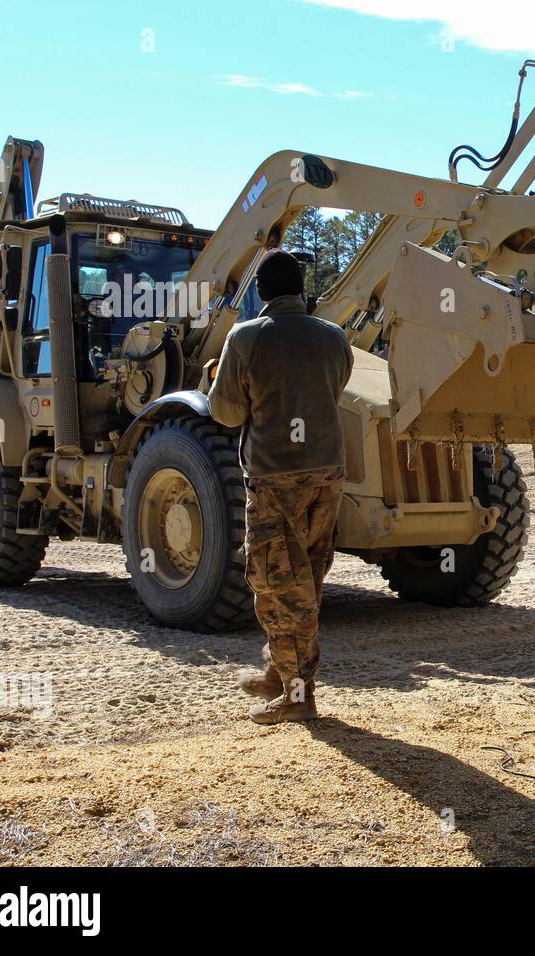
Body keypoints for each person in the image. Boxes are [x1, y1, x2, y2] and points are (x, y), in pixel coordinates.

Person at [208, 251, 354, 723]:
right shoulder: (334, 338)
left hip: (275, 478)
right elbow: (336, 387)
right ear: (301, 290)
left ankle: (296, 695)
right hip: (327, 472)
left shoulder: (246, 337)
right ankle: (281, 671)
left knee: (275, 584)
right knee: (306, 577)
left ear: (262, 293)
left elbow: (226, 413)